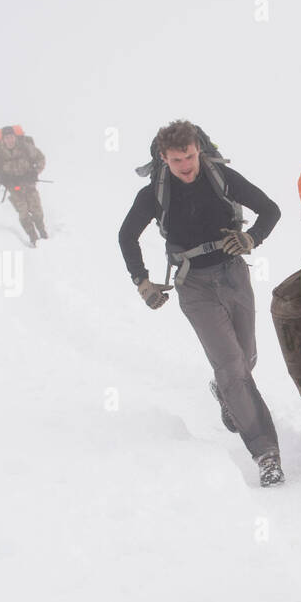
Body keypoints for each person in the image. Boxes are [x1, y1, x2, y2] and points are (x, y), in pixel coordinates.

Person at [118, 120, 284, 487]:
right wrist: (142, 282)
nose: (186, 166)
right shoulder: (154, 194)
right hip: (193, 285)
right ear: (164, 158)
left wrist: (251, 238)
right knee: (232, 367)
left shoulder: (220, 176)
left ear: (199, 150)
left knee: (247, 358)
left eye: (190, 156)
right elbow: (126, 236)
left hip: (233, 274)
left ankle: (225, 392)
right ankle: (266, 454)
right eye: (177, 160)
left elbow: (271, 209)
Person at [0, 125, 48, 246]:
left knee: (37, 210)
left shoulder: (25, 147)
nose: (10, 140)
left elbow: (41, 158)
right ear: (3, 139)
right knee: (23, 213)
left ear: (15, 137)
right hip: (14, 188)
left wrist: (35, 172)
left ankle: (42, 232)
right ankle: (33, 237)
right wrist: (2, 180)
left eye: (12, 137)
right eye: (7, 138)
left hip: (29, 184)